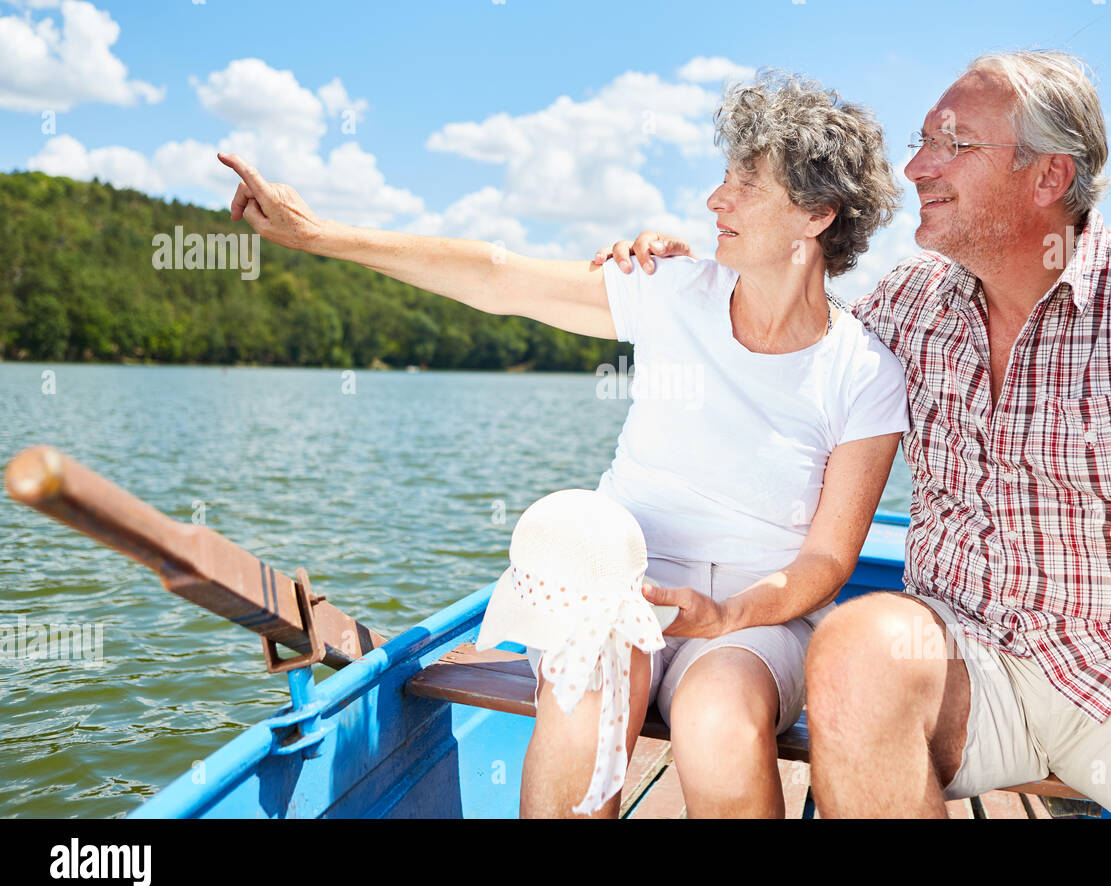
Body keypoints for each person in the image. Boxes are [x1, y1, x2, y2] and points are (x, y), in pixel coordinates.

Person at [601, 50, 1111, 818]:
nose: (912, 168)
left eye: (950, 144)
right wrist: (675, 284)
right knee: (856, 645)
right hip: (961, 667)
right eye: (919, 140)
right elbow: (781, 342)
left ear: (1048, 177)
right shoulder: (907, 306)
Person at [215, 69, 909, 817]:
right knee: (587, 688)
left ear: (817, 215)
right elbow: (497, 276)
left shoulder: (863, 371)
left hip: (753, 622)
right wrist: (318, 236)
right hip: (615, 583)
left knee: (718, 722)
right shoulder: (669, 288)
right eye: (723, 177)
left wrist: (723, 617)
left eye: (746, 183)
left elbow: (828, 561)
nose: (715, 200)